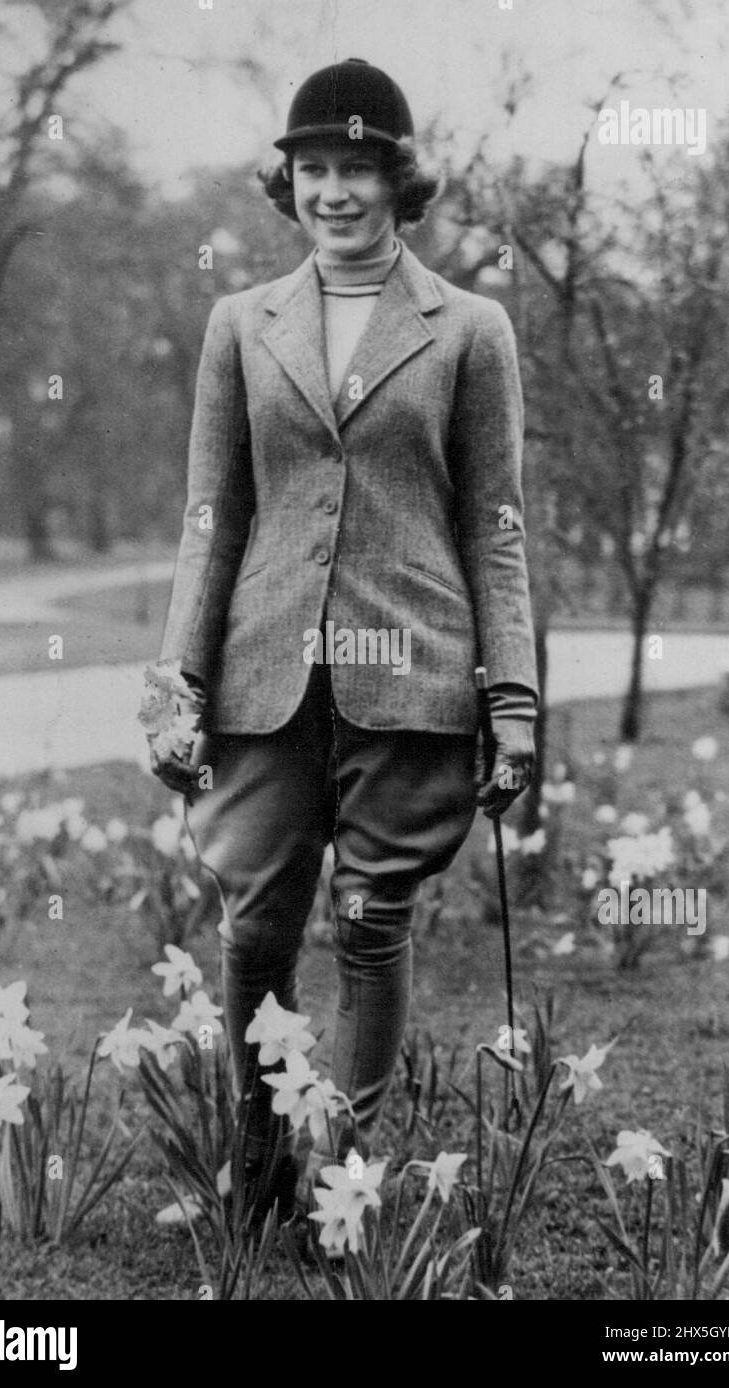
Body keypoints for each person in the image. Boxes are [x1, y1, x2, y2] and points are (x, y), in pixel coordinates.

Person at [150, 58, 538, 1218]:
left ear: (398, 182)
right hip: (266, 672)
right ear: (289, 183)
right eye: (313, 168)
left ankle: (348, 1181)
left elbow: (499, 527)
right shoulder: (240, 324)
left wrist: (510, 698)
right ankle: (263, 1167)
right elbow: (210, 521)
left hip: (414, 669)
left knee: (373, 917)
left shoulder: (472, 329)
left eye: (357, 169)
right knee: (256, 920)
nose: (333, 191)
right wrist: (179, 679)